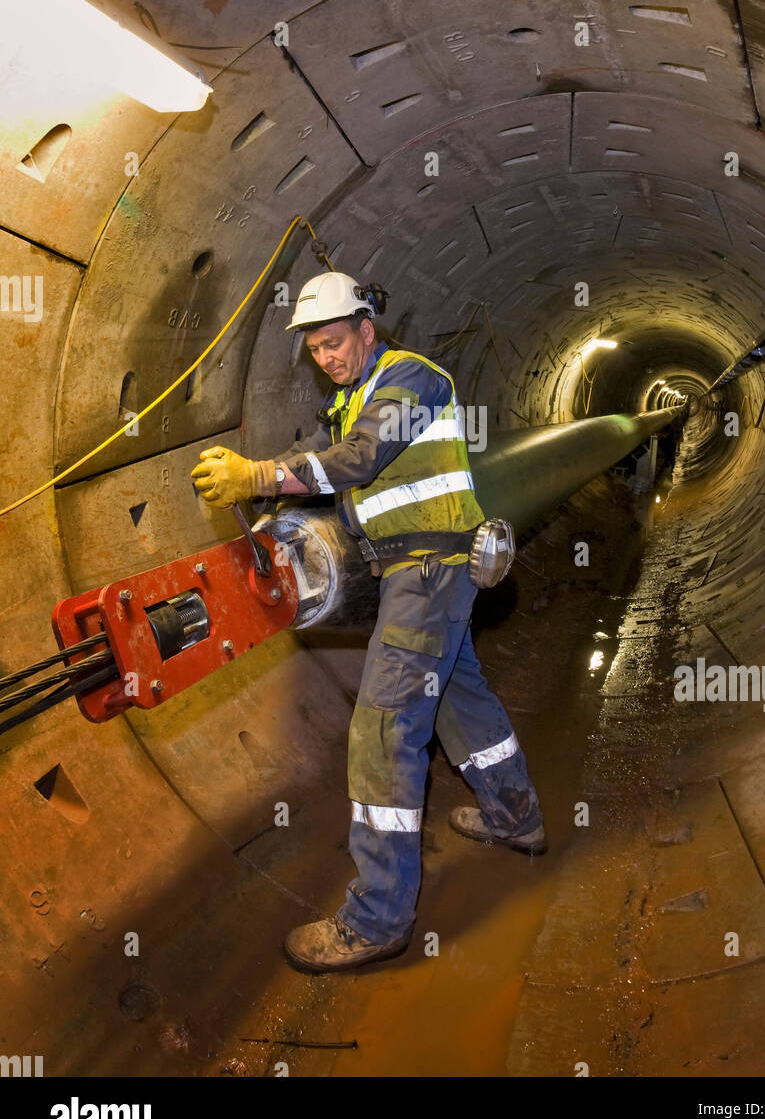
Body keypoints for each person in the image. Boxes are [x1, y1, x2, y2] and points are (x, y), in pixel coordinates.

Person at [191, 271, 545, 972]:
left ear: (366, 331)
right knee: (458, 701)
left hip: (431, 568)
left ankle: (377, 918)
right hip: (414, 573)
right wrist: (270, 479)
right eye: (315, 351)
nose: (326, 359)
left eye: (334, 343)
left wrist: (258, 475)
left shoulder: (413, 380)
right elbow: (318, 459)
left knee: (385, 730)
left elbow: (359, 460)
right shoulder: (353, 402)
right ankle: (516, 816)